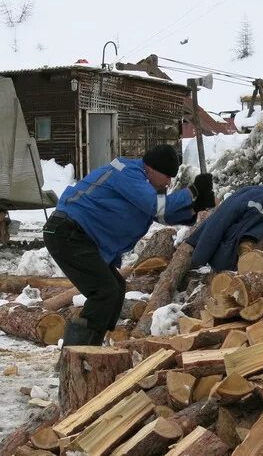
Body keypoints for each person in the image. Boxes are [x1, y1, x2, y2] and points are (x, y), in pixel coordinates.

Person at [43, 144, 214, 346]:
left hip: (79, 237)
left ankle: (93, 346)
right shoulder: (127, 173)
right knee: (104, 290)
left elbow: (162, 214)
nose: (168, 183)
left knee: (116, 287)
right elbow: (155, 205)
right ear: (151, 168)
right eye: (166, 176)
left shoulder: (143, 186)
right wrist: (193, 190)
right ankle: (77, 352)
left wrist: (195, 208)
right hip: (67, 232)